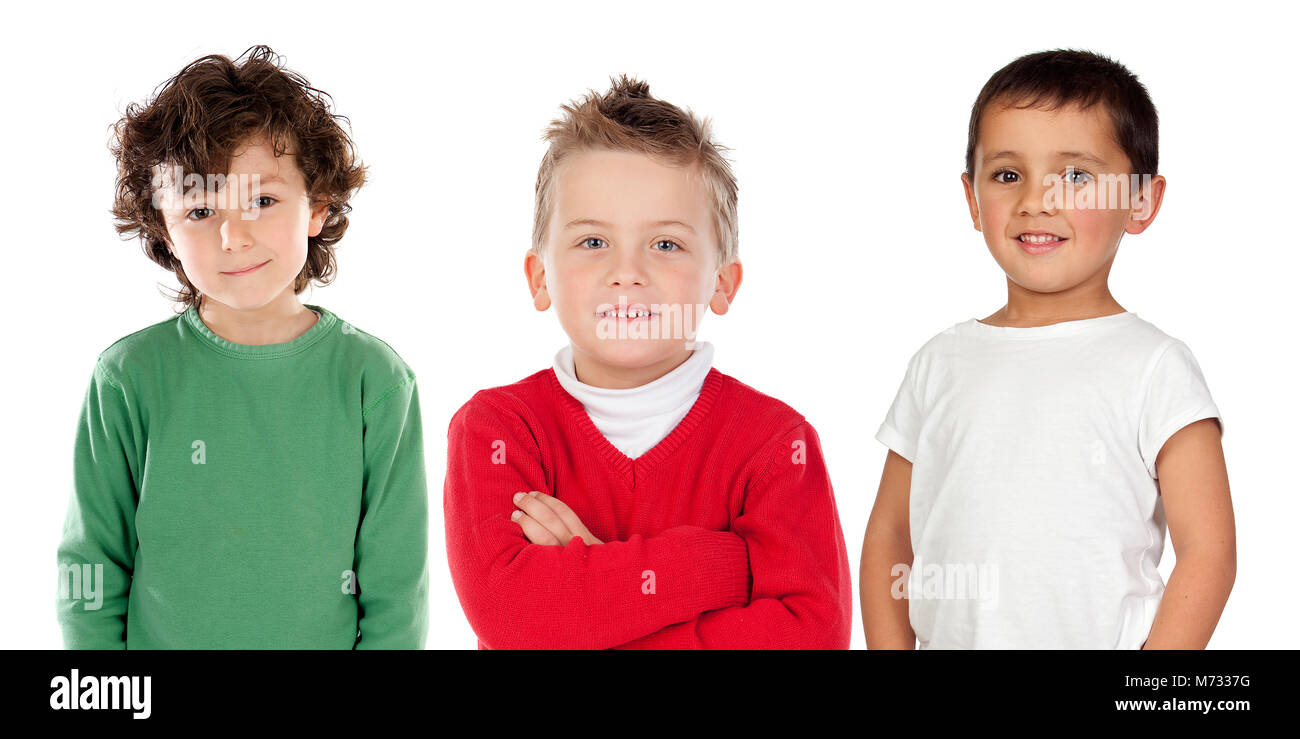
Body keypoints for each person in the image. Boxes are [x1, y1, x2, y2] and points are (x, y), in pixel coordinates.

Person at [444, 76, 852, 649]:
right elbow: (513, 617)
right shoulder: (497, 429)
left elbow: (811, 635)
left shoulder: (777, 443)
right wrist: (723, 564)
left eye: (665, 244)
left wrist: (587, 596)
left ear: (723, 283)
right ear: (540, 279)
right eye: (592, 242)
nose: (627, 271)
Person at [56, 45, 428, 649]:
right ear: (164, 230)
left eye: (262, 200)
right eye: (200, 208)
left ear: (319, 206)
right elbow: (90, 562)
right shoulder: (127, 378)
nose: (234, 236)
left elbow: (397, 585)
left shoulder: (376, 380)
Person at [861, 49, 1235, 649]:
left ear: (1141, 200)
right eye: (1008, 175)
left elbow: (1208, 550)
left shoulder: (1155, 367)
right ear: (971, 198)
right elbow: (889, 535)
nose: (1037, 200)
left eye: (1076, 176)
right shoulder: (939, 363)